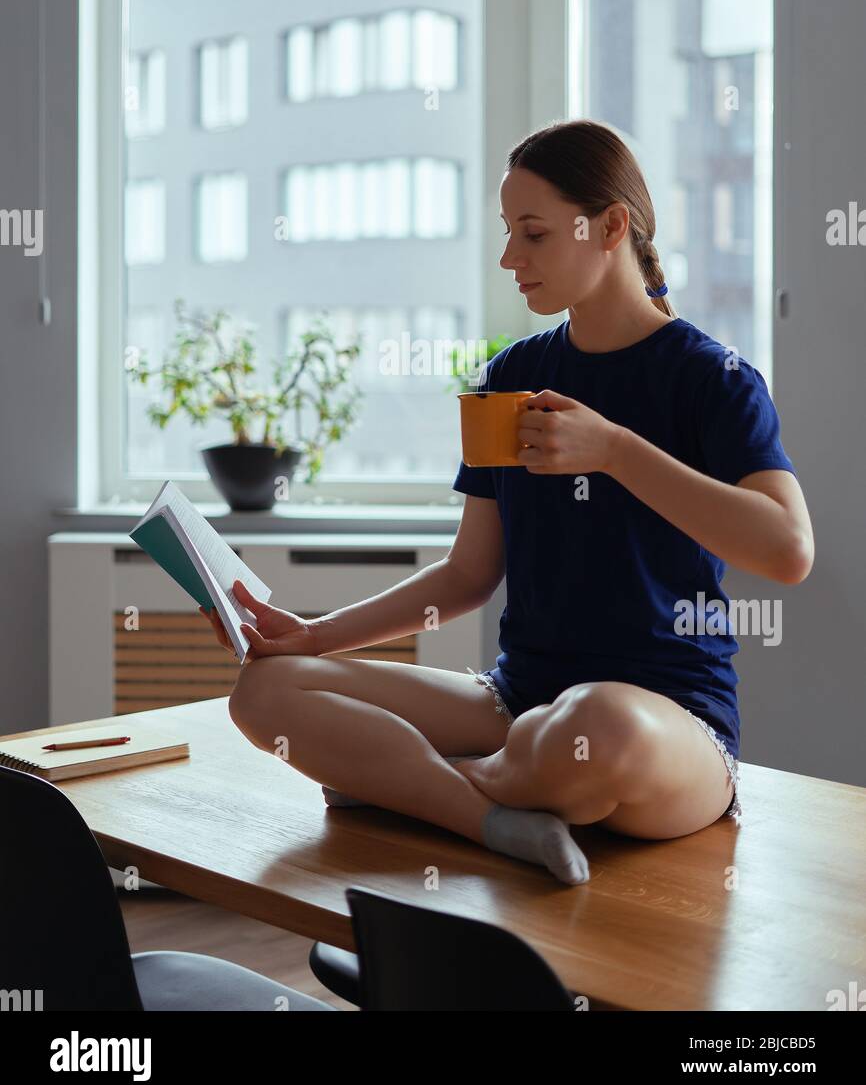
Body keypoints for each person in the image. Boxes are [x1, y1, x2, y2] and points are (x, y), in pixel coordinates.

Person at [204, 119, 814, 886]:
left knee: (599, 723)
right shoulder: (512, 377)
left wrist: (614, 451)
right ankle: (493, 820)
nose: (509, 258)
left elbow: (788, 550)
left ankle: (413, 783)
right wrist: (313, 636)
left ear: (610, 227)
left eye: (534, 233)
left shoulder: (711, 378)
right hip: (515, 704)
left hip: (667, 727)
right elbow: (467, 575)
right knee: (266, 692)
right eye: (507, 232)